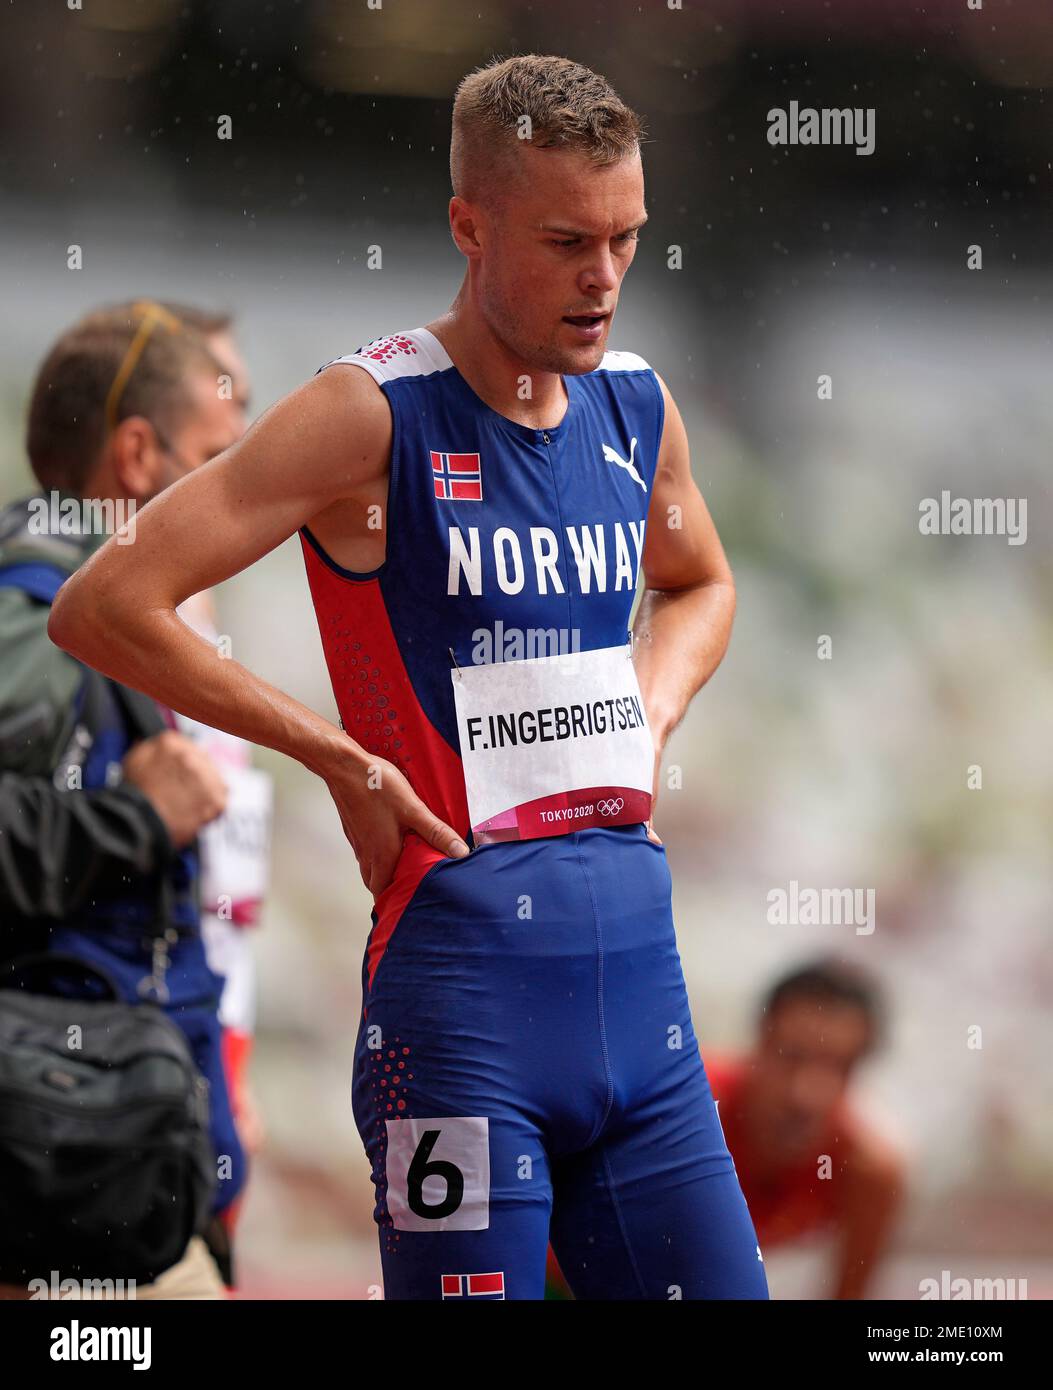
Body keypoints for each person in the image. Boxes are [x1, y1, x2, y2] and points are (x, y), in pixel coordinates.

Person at [48, 55, 768, 1300]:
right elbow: (104, 603)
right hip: (464, 1016)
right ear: (467, 225)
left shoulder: (638, 407)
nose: (604, 278)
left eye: (627, 239)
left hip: (641, 1003)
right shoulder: (368, 414)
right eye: (565, 242)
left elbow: (703, 582)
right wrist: (340, 753)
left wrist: (650, 709)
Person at [0, 300, 256, 1296]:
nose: (239, 500)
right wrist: (133, 822)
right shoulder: (38, 610)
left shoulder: (123, 620)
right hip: (50, 1183)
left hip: (106, 1169)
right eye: (215, 460)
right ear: (140, 454)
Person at [705, 960, 908, 1299]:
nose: (807, 1094)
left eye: (839, 1066)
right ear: (759, 1042)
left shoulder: (866, 1169)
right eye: (791, 1056)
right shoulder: (688, 1112)